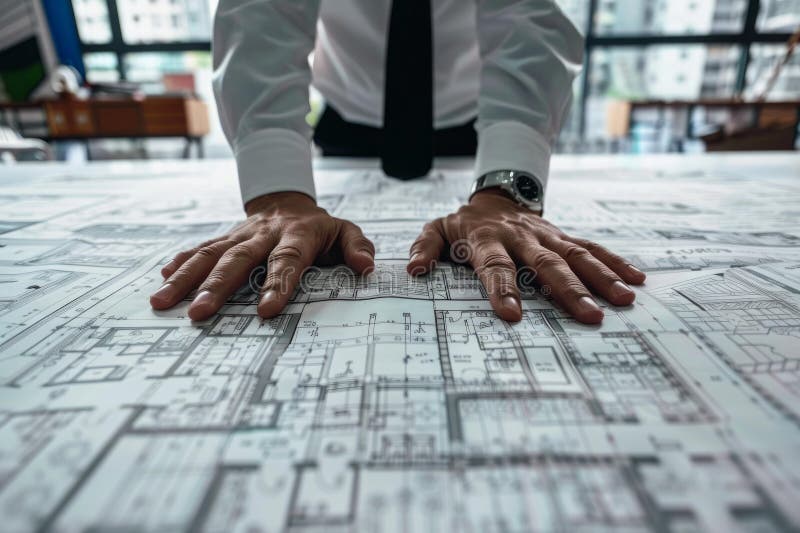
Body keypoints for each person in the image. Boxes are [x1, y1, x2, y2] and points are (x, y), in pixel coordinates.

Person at [150, 0, 646, 324]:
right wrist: (278, 192)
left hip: (476, 121)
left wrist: (505, 190)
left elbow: (527, 19)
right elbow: (262, 14)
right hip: (349, 118)